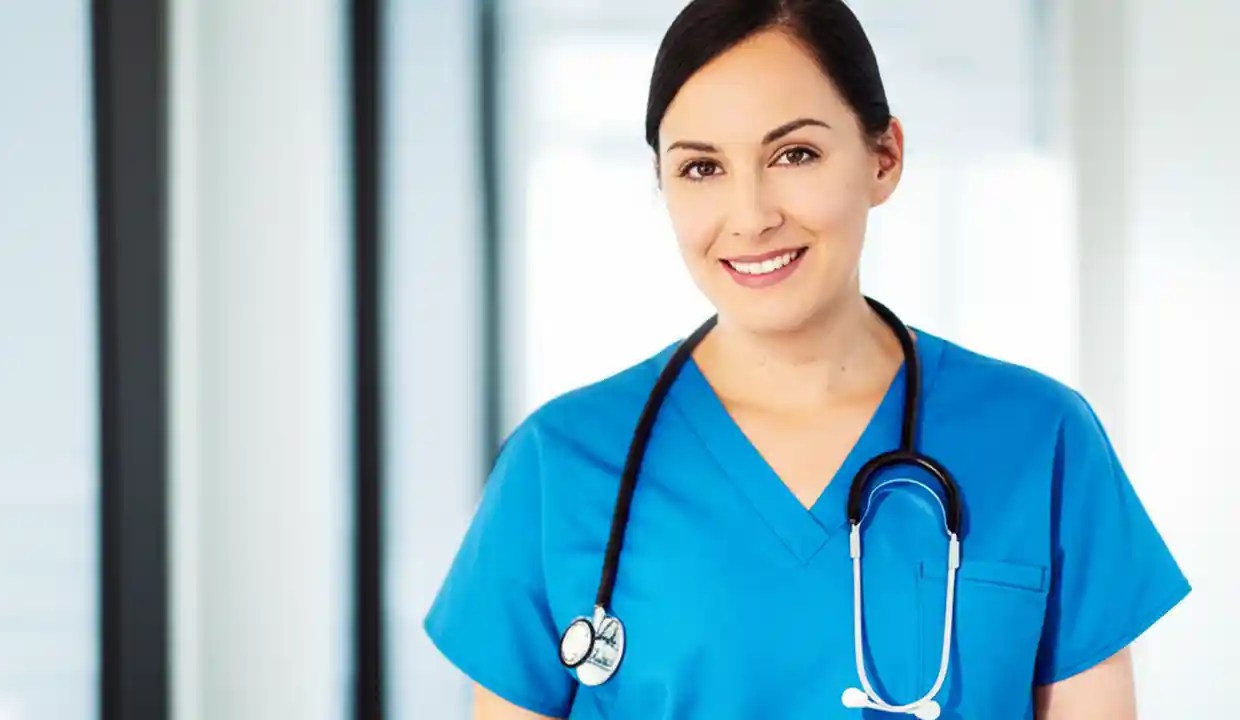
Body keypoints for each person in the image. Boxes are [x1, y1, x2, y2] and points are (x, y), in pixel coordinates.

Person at [424, 0, 1191, 717]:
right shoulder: (559, 464)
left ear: (884, 156)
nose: (752, 216)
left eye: (794, 154)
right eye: (701, 168)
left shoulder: (1040, 439)